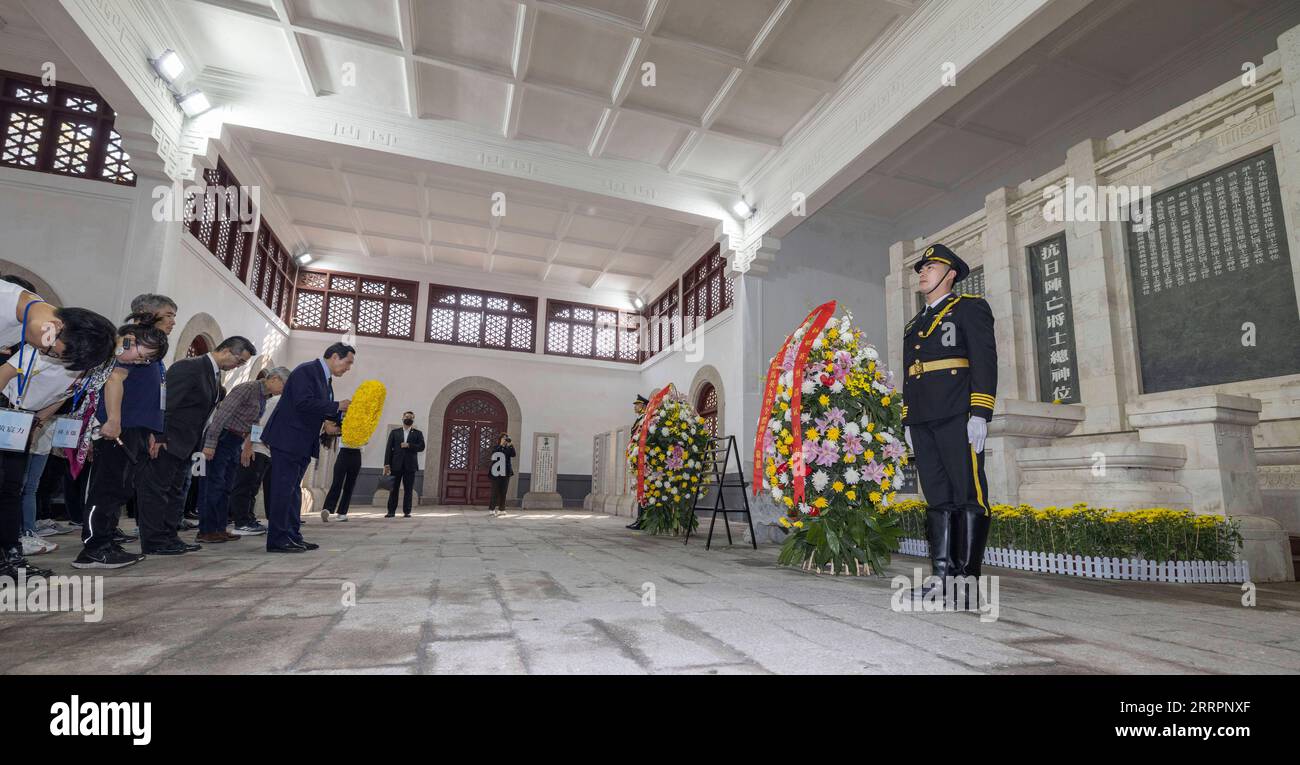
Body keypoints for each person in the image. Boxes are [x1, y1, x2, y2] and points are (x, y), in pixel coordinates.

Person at [900, 243, 997, 603]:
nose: (923, 273)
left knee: (969, 495)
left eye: (931, 266)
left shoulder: (970, 309)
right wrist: (908, 420)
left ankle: (966, 583)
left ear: (951, 273)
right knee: (938, 498)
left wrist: (980, 412)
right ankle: (943, 578)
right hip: (924, 419)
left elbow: (985, 361)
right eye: (921, 268)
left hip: (958, 414)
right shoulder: (915, 324)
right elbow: (913, 375)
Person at [135, 336, 254, 555]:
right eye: (240, 360)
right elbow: (166, 403)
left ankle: (170, 536)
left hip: (188, 444)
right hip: (169, 440)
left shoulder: (214, 374)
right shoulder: (189, 367)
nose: (239, 365)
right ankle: (154, 540)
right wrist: (160, 436)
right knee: (157, 492)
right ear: (227, 350)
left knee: (177, 492)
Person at [260, 343, 353, 553]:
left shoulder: (323, 377)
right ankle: (277, 539)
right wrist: (336, 406)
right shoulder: (307, 371)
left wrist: (331, 422)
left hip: (301, 440)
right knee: (283, 490)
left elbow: (313, 409)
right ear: (335, 356)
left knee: (293, 491)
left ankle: (292, 535)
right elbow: (302, 403)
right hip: (288, 438)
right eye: (348, 362)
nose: (348, 368)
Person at [195, 367, 288, 542]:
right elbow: (222, 415)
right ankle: (206, 530)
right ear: (274, 378)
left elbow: (254, 424)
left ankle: (220, 528)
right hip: (222, 436)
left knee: (226, 487)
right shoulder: (247, 388)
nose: (284, 389)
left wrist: (248, 446)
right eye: (284, 384)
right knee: (213, 484)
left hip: (235, 441)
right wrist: (210, 444)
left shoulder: (263, 396)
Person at [227, 390, 278, 535]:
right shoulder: (276, 401)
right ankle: (241, 523)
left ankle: (248, 519)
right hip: (256, 449)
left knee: (252, 488)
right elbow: (258, 424)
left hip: (265, 451)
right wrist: (248, 447)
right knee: (244, 486)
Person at [381, 410, 424, 518]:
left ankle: (407, 511)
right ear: (402, 418)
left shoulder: (418, 433)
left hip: (410, 466)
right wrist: (387, 464)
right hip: (396, 465)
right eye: (406, 416)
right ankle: (391, 511)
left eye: (410, 417)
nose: (408, 418)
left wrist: (409, 445)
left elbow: (421, 447)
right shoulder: (395, 432)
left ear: (413, 419)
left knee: (408, 489)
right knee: (393, 489)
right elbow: (388, 449)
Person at [321, 434, 360, 521]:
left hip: (357, 454)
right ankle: (327, 508)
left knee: (349, 486)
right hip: (343, 453)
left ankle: (342, 513)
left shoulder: (364, 425)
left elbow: (366, 442)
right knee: (337, 482)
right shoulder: (344, 422)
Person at [625, 394, 649, 530]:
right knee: (639, 489)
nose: (635, 406)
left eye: (637, 404)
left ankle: (643, 520)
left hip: (642, 459)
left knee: (643, 489)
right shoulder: (639, 420)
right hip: (636, 457)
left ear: (644, 406)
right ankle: (639, 519)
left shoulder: (645, 419)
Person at [486, 433, 515, 518]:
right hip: (496, 472)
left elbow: (513, 454)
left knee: (503, 492)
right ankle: (491, 509)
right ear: (500, 439)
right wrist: (501, 445)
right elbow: (494, 454)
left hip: (506, 472)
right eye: (503, 438)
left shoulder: (509, 448)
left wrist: (510, 445)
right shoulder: (496, 447)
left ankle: (501, 509)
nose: (505, 440)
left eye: (506, 438)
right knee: (495, 491)